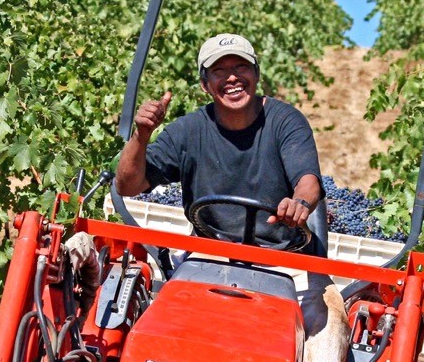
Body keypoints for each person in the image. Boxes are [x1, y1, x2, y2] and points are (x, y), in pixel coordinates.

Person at [114, 33, 324, 252]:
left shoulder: (285, 121)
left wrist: (299, 204)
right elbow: (127, 186)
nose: (232, 78)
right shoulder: (189, 130)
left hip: (284, 257)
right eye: (219, 71)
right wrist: (142, 134)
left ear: (257, 74)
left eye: (241, 67)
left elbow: (308, 182)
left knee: (325, 288)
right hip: (209, 254)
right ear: (205, 85)